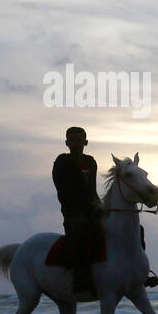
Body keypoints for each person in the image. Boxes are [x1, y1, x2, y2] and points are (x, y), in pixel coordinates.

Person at [52, 126, 102, 294]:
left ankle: (138, 274)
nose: (75, 143)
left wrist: (100, 207)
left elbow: (92, 189)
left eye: (78, 140)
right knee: (83, 233)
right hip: (74, 212)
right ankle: (81, 280)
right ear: (66, 142)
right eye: (71, 140)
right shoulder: (62, 162)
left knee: (129, 229)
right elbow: (63, 190)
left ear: (85, 142)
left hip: (92, 209)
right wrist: (78, 209)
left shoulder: (91, 162)